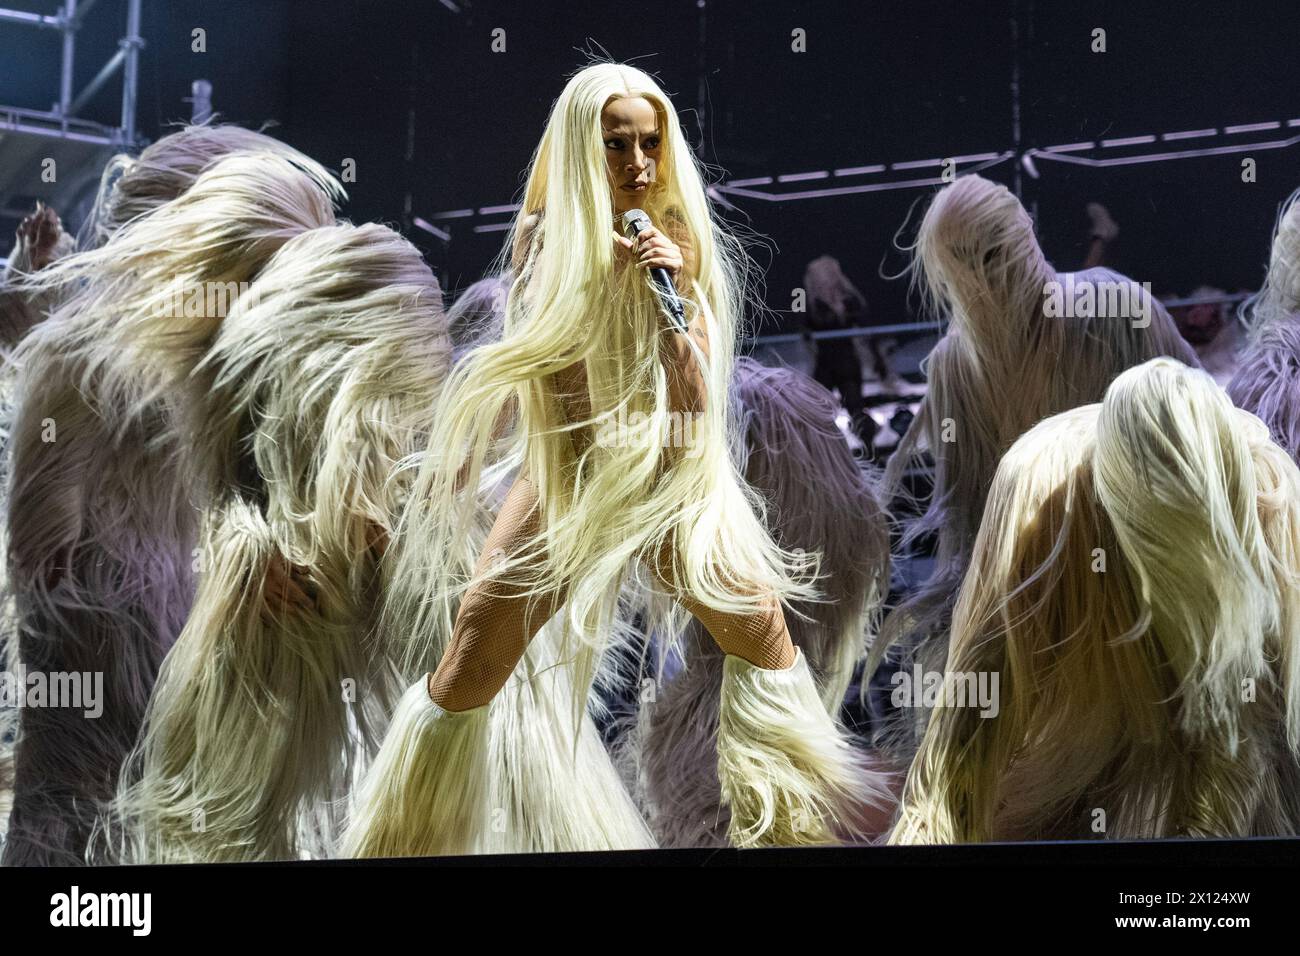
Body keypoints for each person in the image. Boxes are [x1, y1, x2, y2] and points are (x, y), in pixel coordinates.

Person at [343, 62, 886, 856]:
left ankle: (792, 826)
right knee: (470, 661)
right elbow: (548, 382)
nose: (637, 163)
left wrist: (674, 309)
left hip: (666, 481)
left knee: (761, 634)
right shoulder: (544, 246)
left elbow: (694, 409)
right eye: (616, 144)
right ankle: (402, 842)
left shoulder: (679, 244)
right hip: (569, 479)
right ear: (579, 149)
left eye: (649, 143)